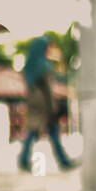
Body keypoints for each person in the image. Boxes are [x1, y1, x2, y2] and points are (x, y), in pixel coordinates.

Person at [18, 36, 76, 171]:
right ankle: (63, 161)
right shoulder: (44, 65)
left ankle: (24, 159)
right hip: (44, 103)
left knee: (34, 131)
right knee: (53, 131)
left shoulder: (29, 66)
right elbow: (48, 90)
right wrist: (53, 105)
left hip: (33, 101)